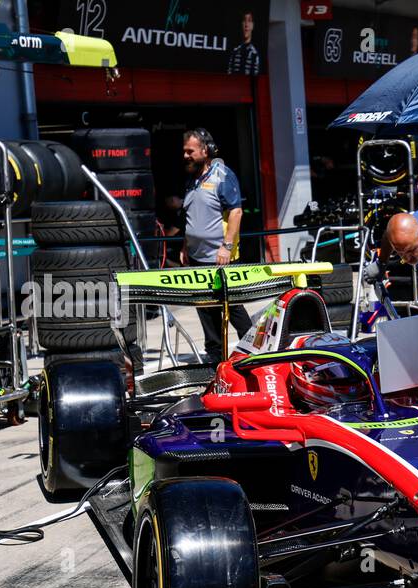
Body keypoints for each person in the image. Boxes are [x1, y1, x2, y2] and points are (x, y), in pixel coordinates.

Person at [180, 128, 250, 360]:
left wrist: (227, 247)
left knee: (233, 307)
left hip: (221, 257)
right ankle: (215, 356)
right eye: (184, 151)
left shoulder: (223, 176)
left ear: (206, 150)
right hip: (197, 256)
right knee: (205, 308)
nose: (186, 156)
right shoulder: (192, 179)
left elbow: (236, 212)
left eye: (190, 151)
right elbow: (191, 215)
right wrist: (185, 246)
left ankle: (252, 352)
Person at [227, 11, 262, 75]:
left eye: (249, 21)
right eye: (244, 21)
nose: (246, 25)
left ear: (253, 25)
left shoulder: (254, 53)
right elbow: (229, 72)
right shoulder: (234, 51)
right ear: (241, 24)